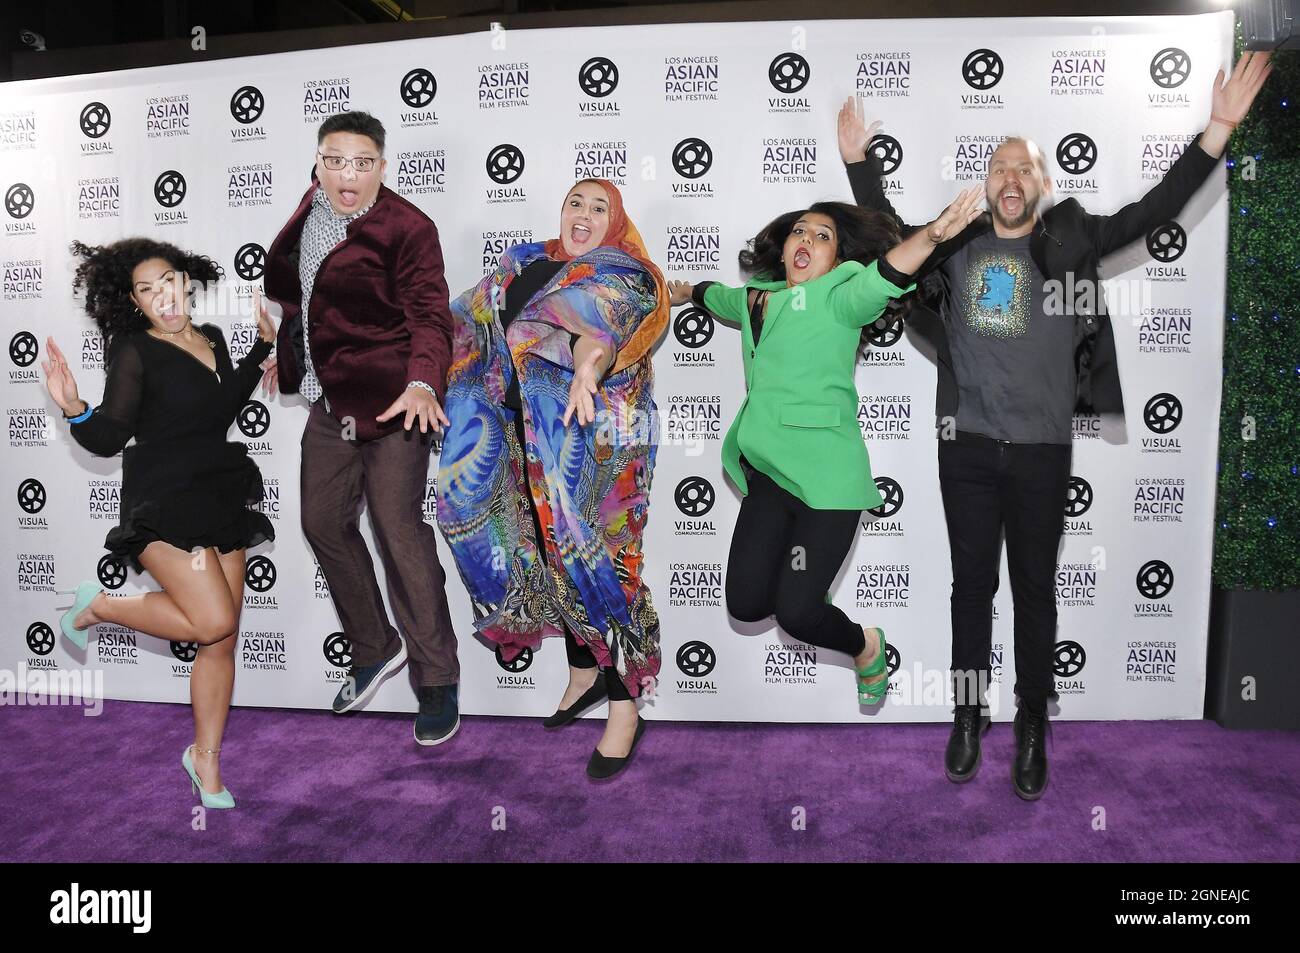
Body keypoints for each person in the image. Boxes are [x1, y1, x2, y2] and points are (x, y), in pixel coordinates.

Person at [838, 50, 1274, 799]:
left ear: (1042, 185)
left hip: (1042, 451)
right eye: (999, 167)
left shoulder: (1072, 242)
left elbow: (1156, 209)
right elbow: (888, 241)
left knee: (1035, 591)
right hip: (966, 448)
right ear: (987, 183)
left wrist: (1218, 129)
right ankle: (968, 713)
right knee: (970, 589)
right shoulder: (955, 243)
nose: (1010, 179)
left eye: (1024, 169)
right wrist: (859, 165)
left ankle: (1033, 720)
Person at [668, 192, 982, 710]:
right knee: (745, 604)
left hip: (828, 484)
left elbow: (883, 275)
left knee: (798, 613)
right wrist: (685, 291)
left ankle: (865, 645)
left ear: (836, 259)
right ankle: (806, 590)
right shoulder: (756, 300)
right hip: (770, 476)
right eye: (800, 231)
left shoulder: (841, 296)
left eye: (823, 236)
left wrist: (930, 237)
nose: (807, 240)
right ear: (785, 244)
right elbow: (715, 295)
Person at [437, 178, 668, 779]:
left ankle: (626, 706)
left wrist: (589, 366)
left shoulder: (628, 273)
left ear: (614, 220)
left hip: (596, 441)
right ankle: (583, 673)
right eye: (575, 203)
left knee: (598, 560)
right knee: (545, 552)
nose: (584, 215)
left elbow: (600, 328)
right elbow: (461, 322)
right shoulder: (522, 263)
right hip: (522, 439)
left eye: (599, 207)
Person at [44, 238, 278, 810]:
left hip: (218, 490)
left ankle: (206, 761)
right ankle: (98, 607)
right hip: (164, 500)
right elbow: (109, 437)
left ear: (186, 281)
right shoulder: (133, 349)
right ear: (134, 301)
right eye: (146, 290)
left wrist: (260, 352)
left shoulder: (212, 338)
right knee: (212, 619)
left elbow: (220, 412)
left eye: (168, 281)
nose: (161, 296)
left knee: (221, 640)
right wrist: (75, 408)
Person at [262, 110, 461, 745]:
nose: (348, 174)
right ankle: (374, 645)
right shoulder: (310, 209)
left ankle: (436, 681)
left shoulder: (407, 227)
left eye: (362, 162)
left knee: (398, 529)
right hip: (329, 402)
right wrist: (288, 352)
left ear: (381, 164)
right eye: (335, 160)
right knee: (321, 521)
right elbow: (306, 300)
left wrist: (424, 380)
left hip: (397, 400)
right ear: (317, 163)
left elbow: (432, 314)